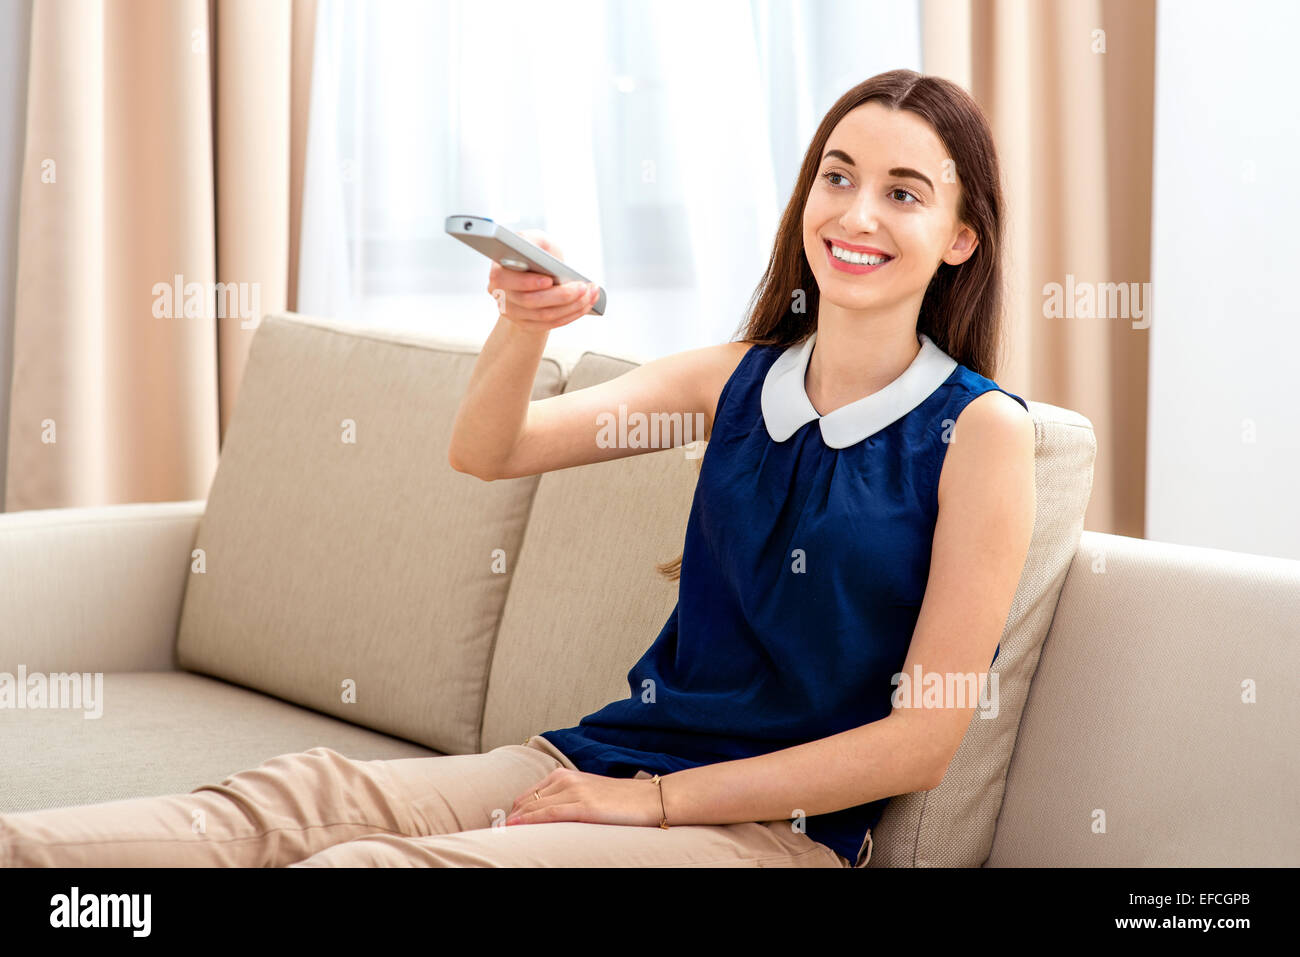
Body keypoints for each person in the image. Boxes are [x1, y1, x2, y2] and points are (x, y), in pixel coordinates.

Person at [0, 68, 1034, 868]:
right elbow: (490, 451)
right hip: (597, 756)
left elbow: (922, 743)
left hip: (765, 833)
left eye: (903, 194)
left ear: (959, 239)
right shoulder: (735, 381)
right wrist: (522, 322)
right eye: (837, 175)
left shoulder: (978, 433)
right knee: (291, 803)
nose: (854, 214)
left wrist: (654, 802)